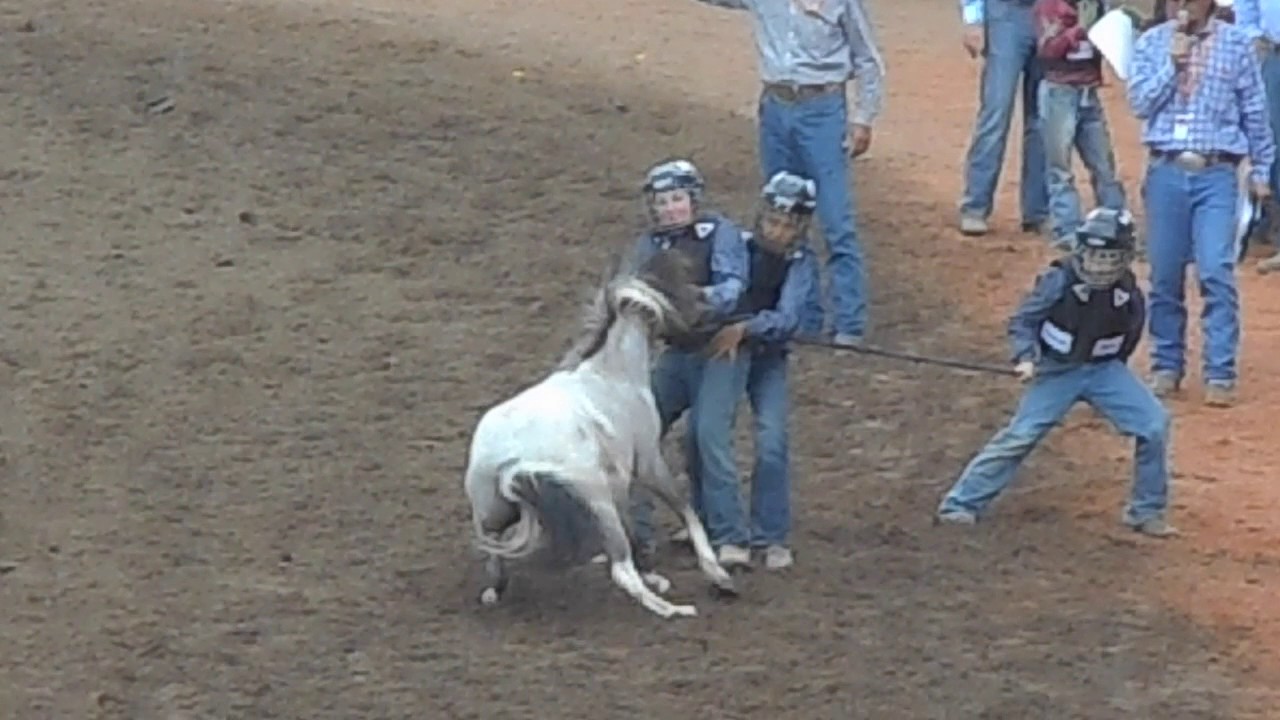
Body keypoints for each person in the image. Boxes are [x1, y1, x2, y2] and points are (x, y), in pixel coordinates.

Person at [936, 209, 1176, 537]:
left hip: (1104, 370)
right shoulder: (1058, 279)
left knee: (1154, 424)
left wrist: (1112, 379)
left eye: (1109, 257)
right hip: (1057, 370)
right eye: (1094, 256)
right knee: (1021, 434)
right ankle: (961, 503)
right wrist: (1026, 357)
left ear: (1125, 257)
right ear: (1080, 251)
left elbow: (1129, 335)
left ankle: (1146, 510)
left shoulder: (1129, 291)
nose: (1100, 266)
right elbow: (1023, 321)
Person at [689, 0, 886, 347]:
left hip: (822, 110)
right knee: (779, 222)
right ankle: (800, 317)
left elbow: (867, 58)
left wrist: (863, 118)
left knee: (836, 222)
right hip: (778, 108)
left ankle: (848, 323)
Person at [1127, 0, 1275, 407]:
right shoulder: (1152, 43)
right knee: (1164, 273)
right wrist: (1171, 66)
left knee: (1215, 270)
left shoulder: (1236, 44)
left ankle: (1219, 370)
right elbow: (1140, 103)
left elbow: (1255, 110)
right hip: (1166, 168)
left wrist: (1262, 168)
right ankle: (1166, 364)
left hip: (1217, 171)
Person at [689, 171, 819, 571]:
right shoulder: (738, 248)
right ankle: (707, 516)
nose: (778, 232)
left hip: (766, 356)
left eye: (787, 225)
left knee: (772, 439)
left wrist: (747, 326)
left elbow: (789, 317)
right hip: (726, 354)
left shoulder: (801, 264)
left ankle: (771, 534)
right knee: (704, 432)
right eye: (772, 221)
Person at [625, 159, 749, 561]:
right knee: (637, 437)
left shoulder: (720, 233)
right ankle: (634, 535)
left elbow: (732, 288)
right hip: (675, 351)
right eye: (662, 202)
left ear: (692, 199)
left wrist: (690, 298)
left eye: (676, 199)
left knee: (708, 435)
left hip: (716, 349)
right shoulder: (649, 246)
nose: (669, 209)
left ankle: (730, 535)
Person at [1033, 0, 1128, 250]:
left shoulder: (1098, 5)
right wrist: (1080, 30)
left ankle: (1116, 223)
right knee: (1060, 168)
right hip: (1059, 91)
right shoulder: (1050, 6)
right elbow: (1047, 51)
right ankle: (1067, 230)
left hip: (1087, 90)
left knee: (1104, 166)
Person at [958, 0, 1050, 236]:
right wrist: (973, 19)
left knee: (1042, 117)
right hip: (1005, 13)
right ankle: (975, 205)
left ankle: (1037, 210)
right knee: (996, 112)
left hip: (1051, 13)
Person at [1234, 0, 1280, 270]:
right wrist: (1256, 40)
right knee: (1271, 139)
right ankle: (1270, 225)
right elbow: (1245, 17)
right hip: (1273, 59)